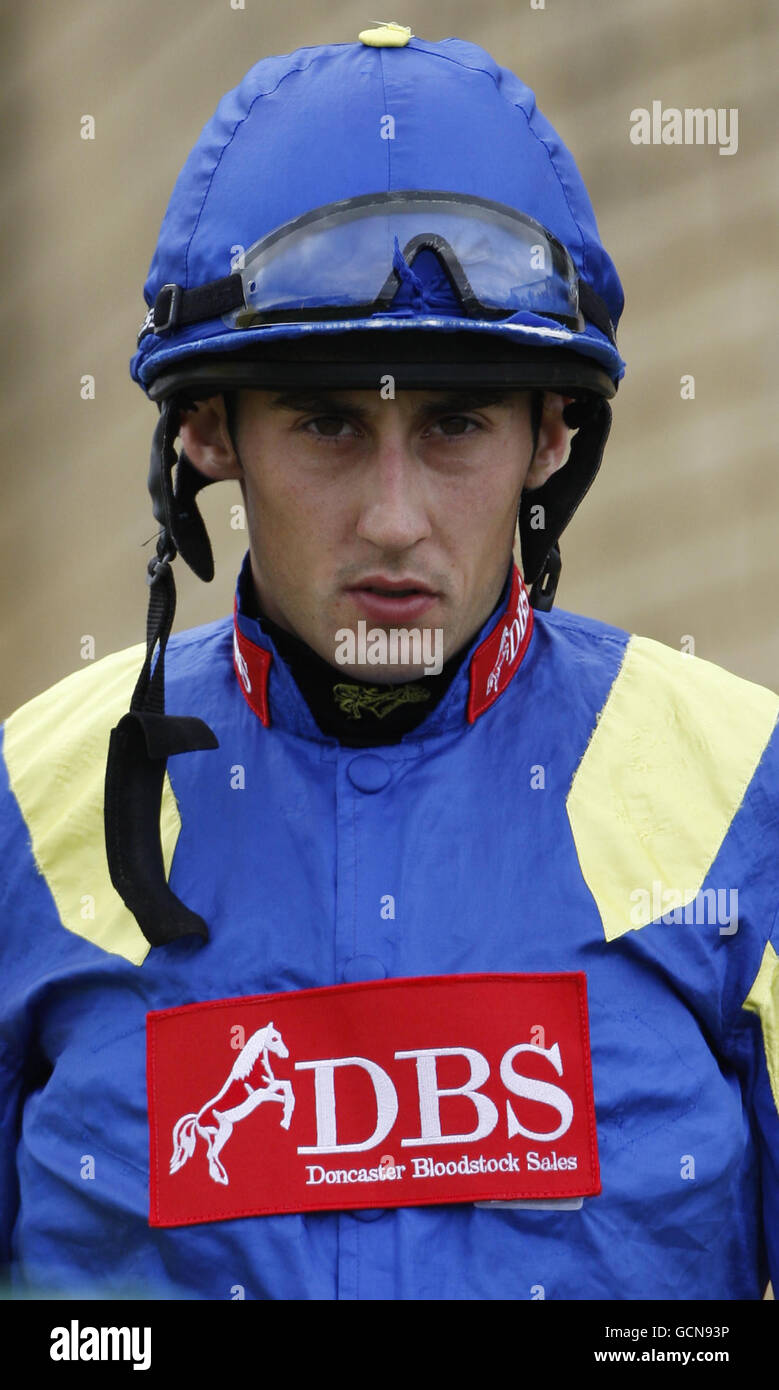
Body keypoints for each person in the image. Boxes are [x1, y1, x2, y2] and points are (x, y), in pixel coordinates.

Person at [0, 26, 776, 1303]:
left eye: (455, 423)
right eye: (327, 425)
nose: (396, 517)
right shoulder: (29, 813)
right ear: (208, 433)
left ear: (549, 436)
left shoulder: (745, 792)